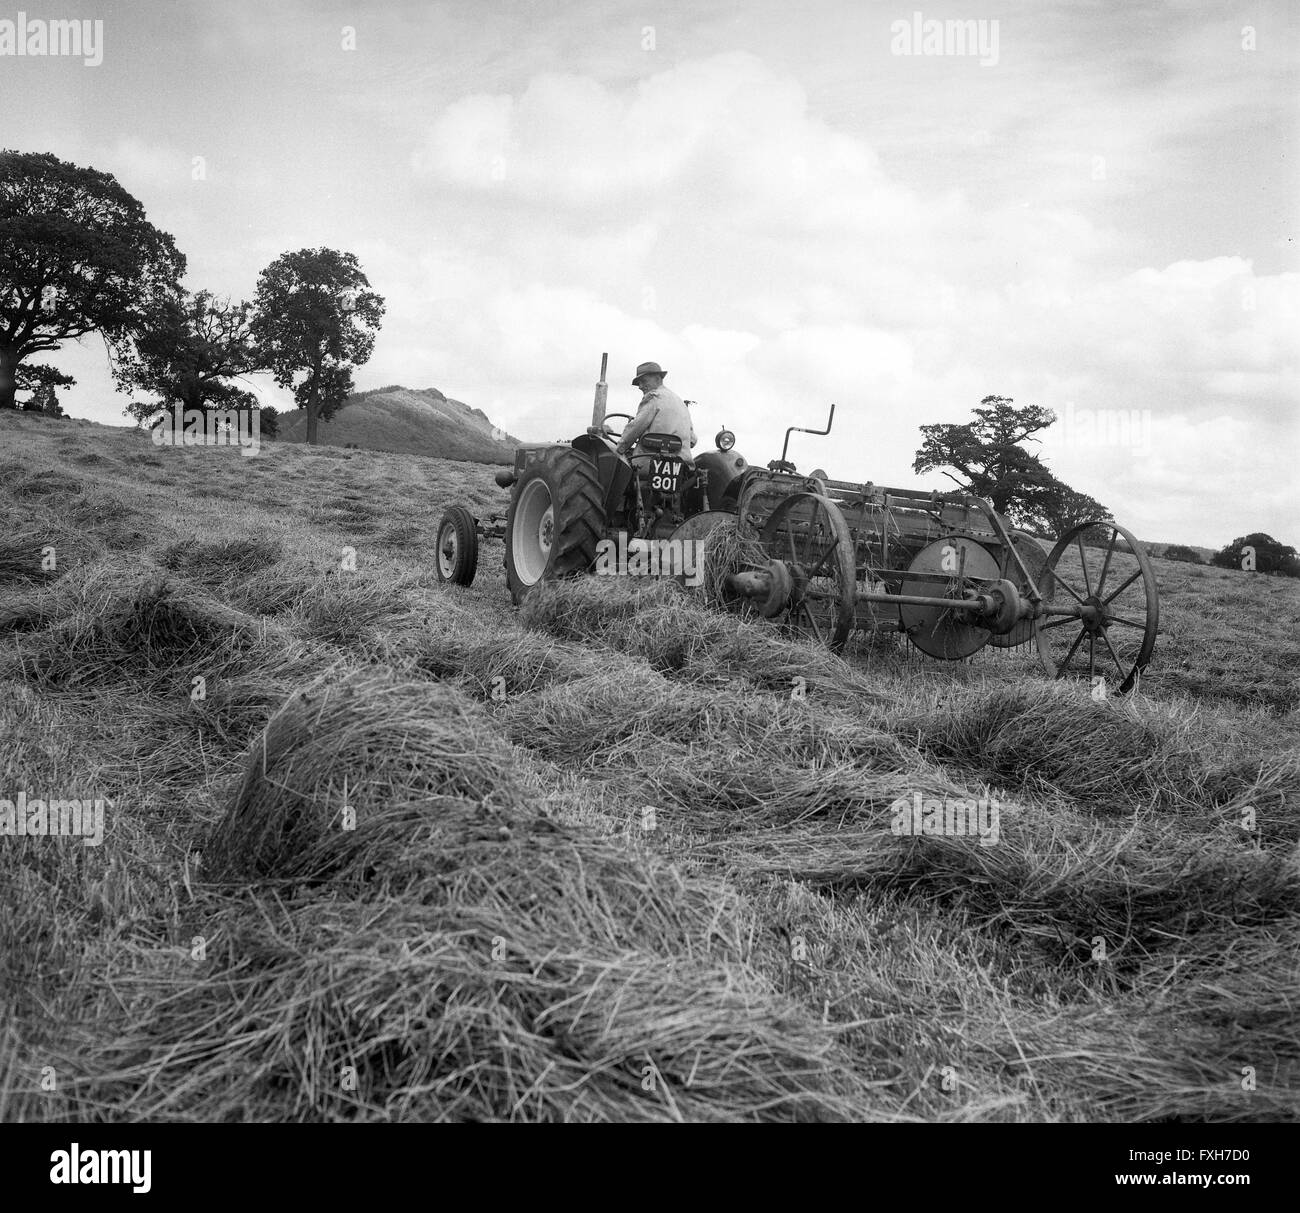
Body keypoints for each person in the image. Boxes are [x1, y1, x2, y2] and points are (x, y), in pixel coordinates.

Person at [614, 361, 697, 466]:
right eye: (639, 383)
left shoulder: (653, 398)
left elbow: (635, 428)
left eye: (643, 381)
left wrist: (619, 449)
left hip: (650, 464)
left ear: (658, 379)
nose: (640, 386)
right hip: (681, 465)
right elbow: (693, 440)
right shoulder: (680, 402)